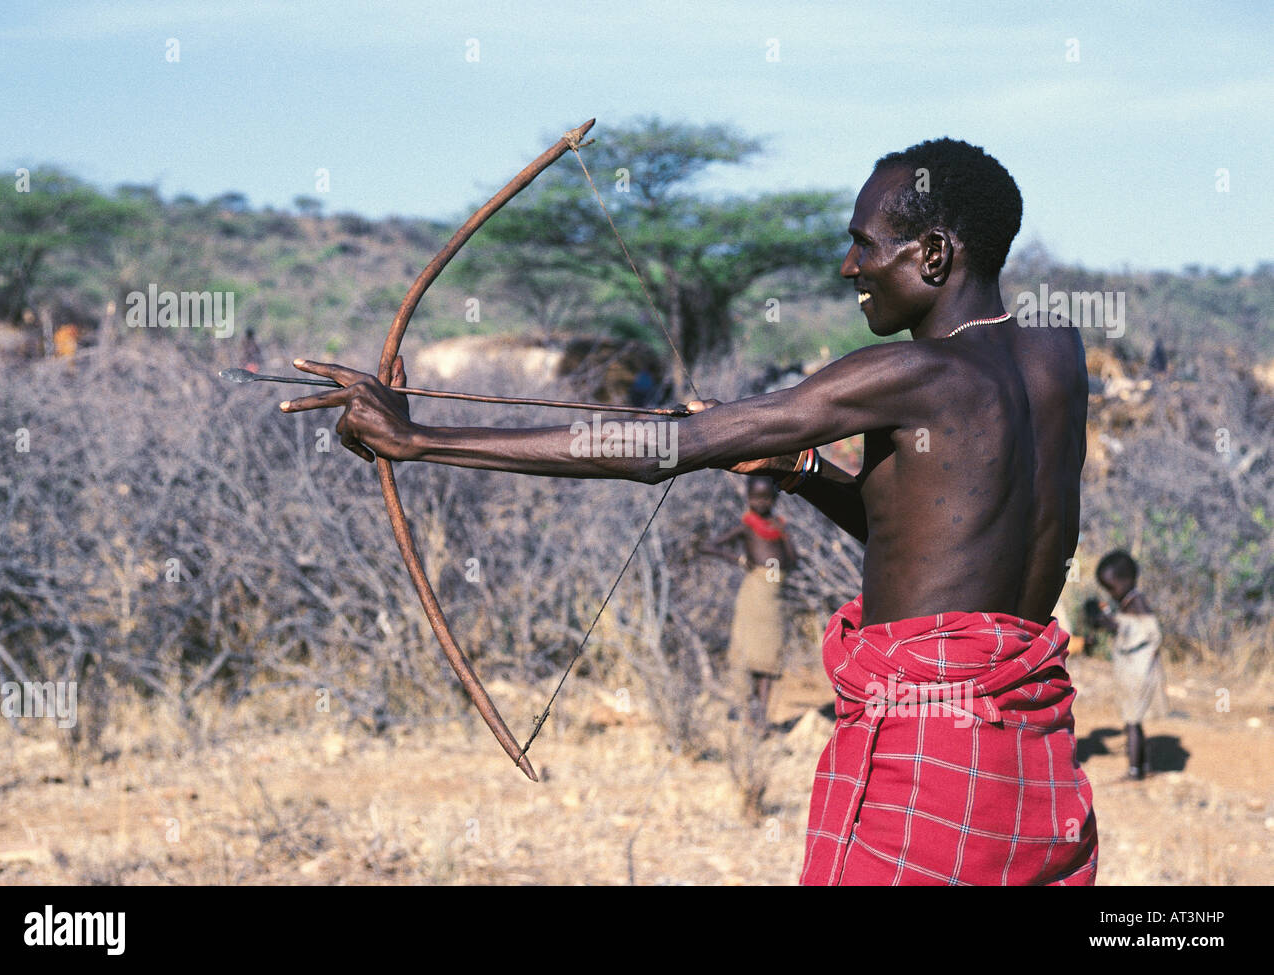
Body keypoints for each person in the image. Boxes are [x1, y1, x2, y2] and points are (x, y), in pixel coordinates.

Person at [280, 136, 1097, 886]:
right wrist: (805, 470)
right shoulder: (1056, 353)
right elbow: (949, 538)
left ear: (935, 253)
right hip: (1032, 765)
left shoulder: (911, 375)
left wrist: (418, 439)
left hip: (926, 765)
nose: (849, 266)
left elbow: (660, 449)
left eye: (866, 244)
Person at [699, 475, 799, 729]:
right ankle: (748, 714)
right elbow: (709, 546)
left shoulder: (780, 526)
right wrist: (740, 560)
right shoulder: (747, 525)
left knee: (769, 660)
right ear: (747, 497)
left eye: (766, 497)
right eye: (755, 497)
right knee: (751, 658)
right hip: (755, 595)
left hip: (776, 597)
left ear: (775, 498)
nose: (761, 502)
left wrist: (784, 539)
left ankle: (761, 718)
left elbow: (793, 560)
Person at [1085, 550, 1167, 780]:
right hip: (1135, 673)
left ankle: (1134, 771)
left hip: (1139, 674)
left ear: (1127, 580)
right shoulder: (1128, 603)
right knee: (1135, 723)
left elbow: (1134, 630)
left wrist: (1102, 619)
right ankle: (1144, 767)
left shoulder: (1136, 603)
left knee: (1132, 723)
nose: (1110, 593)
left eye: (1112, 587)